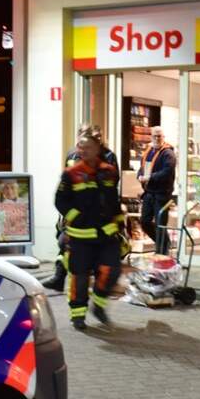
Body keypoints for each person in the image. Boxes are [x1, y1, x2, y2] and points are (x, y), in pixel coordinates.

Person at [55, 133, 123, 330]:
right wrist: (78, 216)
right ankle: (78, 315)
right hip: (80, 236)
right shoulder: (71, 174)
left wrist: (119, 223)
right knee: (80, 277)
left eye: (88, 147)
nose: (84, 151)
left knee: (112, 271)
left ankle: (99, 306)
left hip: (106, 235)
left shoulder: (108, 171)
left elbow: (113, 201)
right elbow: (60, 201)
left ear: (98, 149)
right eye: (81, 147)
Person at [41, 124, 119, 291]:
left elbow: (111, 185)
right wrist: (70, 211)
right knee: (63, 241)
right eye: (81, 138)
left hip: (95, 215)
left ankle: (93, 287)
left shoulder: (108, 157)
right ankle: (59, 277)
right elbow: (66, 180)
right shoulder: (72, 154)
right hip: (74, 212)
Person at [137, 125, 176, 255]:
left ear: (163, 137)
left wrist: (149, 177)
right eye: (155, 136)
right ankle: (164, 242)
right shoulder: (149, 151)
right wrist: (140, 175)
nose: (157, 138)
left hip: (162, 195)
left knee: (160, 225)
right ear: (151, 137)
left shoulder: (168, 153)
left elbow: (167, 172)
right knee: (145, 222)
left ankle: (161, 253)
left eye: (159, 136)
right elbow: (142, 167)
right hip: (149, 193)